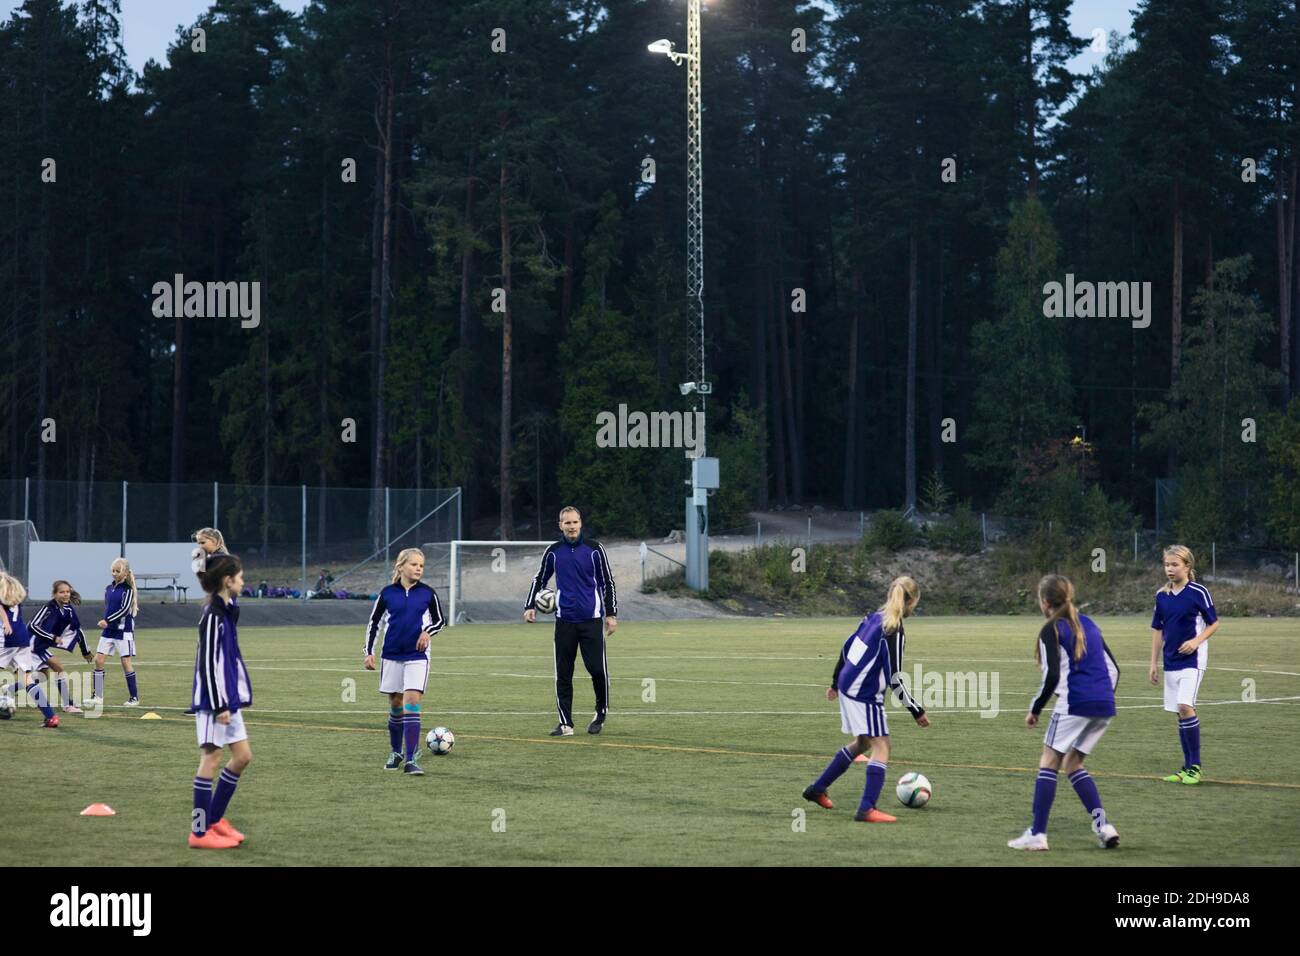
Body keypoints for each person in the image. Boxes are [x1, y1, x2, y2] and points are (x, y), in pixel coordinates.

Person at [802, 576, 929, 822]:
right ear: (912, 601)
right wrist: (917, 711)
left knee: (863, 743)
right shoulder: (894, 630)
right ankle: (867, 808)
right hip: (863, 692)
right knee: (882, 746)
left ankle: (816, 789)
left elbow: (847, 647)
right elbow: (894, 678)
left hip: (848, 685)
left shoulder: (872, 618)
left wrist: (835, 682)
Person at [1008, 574, 1121, 850]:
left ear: (1045, 602)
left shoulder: (1052, 628)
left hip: (1075, 703)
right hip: (1104, 705)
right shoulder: (1089, 623)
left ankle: (1037, 834)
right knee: (1073, 765)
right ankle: (1104, 827)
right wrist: (1102, 695)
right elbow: (1114, 670)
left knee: (1049, 762)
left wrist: (1035, 709)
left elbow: (1052, 676)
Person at [523, 506, 618, 736]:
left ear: (580, 523)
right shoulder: (553, 552)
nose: (572, 526)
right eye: (567, 523)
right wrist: (530, 605)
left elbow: (607, 582)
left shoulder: (595, 549)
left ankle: (600, 712)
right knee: (563, 673)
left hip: (591, 620)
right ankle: (565, 723)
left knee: (597, 669)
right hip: (564, 621)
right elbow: (540, 579)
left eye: (575, 522)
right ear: (560, 526)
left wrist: (611, 614)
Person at [190, 553, 253, 849]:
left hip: (229, 699)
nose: (243, 581)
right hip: (213, 702)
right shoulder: (213, 616)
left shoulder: (227, 610)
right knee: (211, 758)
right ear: (228, 581)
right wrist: (219, 705)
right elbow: (207, 663)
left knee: (242, 757)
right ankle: (199, 832)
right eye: (240, 576)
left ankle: (214, 821)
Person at [364, 548, 445, 775]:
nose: (418, 569)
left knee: (412, 703)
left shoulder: (427, 593)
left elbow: (440, 620)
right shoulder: (387, 593)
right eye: (414, 564)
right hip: (391, 655)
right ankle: (396, 752)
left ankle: (411, 759)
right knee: (396, 706)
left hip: (417, 656)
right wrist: (368, 652)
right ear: (401, 567)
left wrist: (427, 632)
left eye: (421, 566)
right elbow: (374, 623)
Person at [1150, 545, 1219, 785]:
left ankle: (1195, 767)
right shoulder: (1162, 596)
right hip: (1171, 660)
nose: (1169, 569)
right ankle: (1186, 767)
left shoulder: (1199, 592)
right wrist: (1153, 662)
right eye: (1166, 564)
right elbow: (1158, 630)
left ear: (1187, 566)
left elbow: (1214, 623)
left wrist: (1195, 641)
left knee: (1185, 706)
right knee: (1180, 713)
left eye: (1175, 564)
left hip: (1193, 659)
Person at [0, 572, 58, 727]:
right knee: (27, 680)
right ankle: (51, 717)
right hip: (22, 638)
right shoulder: (15, 599)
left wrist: (6, 623)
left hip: (7, 639)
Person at [29, 580, 90, 714]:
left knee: (41, 677)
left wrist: (85, 650)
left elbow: (77, 630)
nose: (66, 594)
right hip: (33, 645)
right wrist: (52, 637)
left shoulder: (68, 609)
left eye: (67, 592)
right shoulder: (49, 607)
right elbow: (32, 625)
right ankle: (68, 705)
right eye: (62, 592)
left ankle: (9, 689)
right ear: (54, 594)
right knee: (59, 668)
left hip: (41, 646)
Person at [187, 528, 230, 715]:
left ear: (216, 541)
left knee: (209, 661)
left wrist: (199, 564)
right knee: (205, 659)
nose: (200, 546)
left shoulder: (221, 559)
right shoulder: (215, 559)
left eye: (203, 542)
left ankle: (212, 703)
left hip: (218, 613)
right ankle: (201, 702)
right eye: (198, 542)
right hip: (213, 610)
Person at [88, 558, 140, 706]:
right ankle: (97, 696)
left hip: (123, 631)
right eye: (113, 571)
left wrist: (107, 620)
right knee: (98, 660)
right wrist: (107, 622)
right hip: (108, 631)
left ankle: (134, 698)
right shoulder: (108, 589)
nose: (115, 573)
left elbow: (124, 610)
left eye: (118, 571)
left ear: (126, 573)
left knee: (126, 662)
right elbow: (108, 607)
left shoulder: (128, 590)